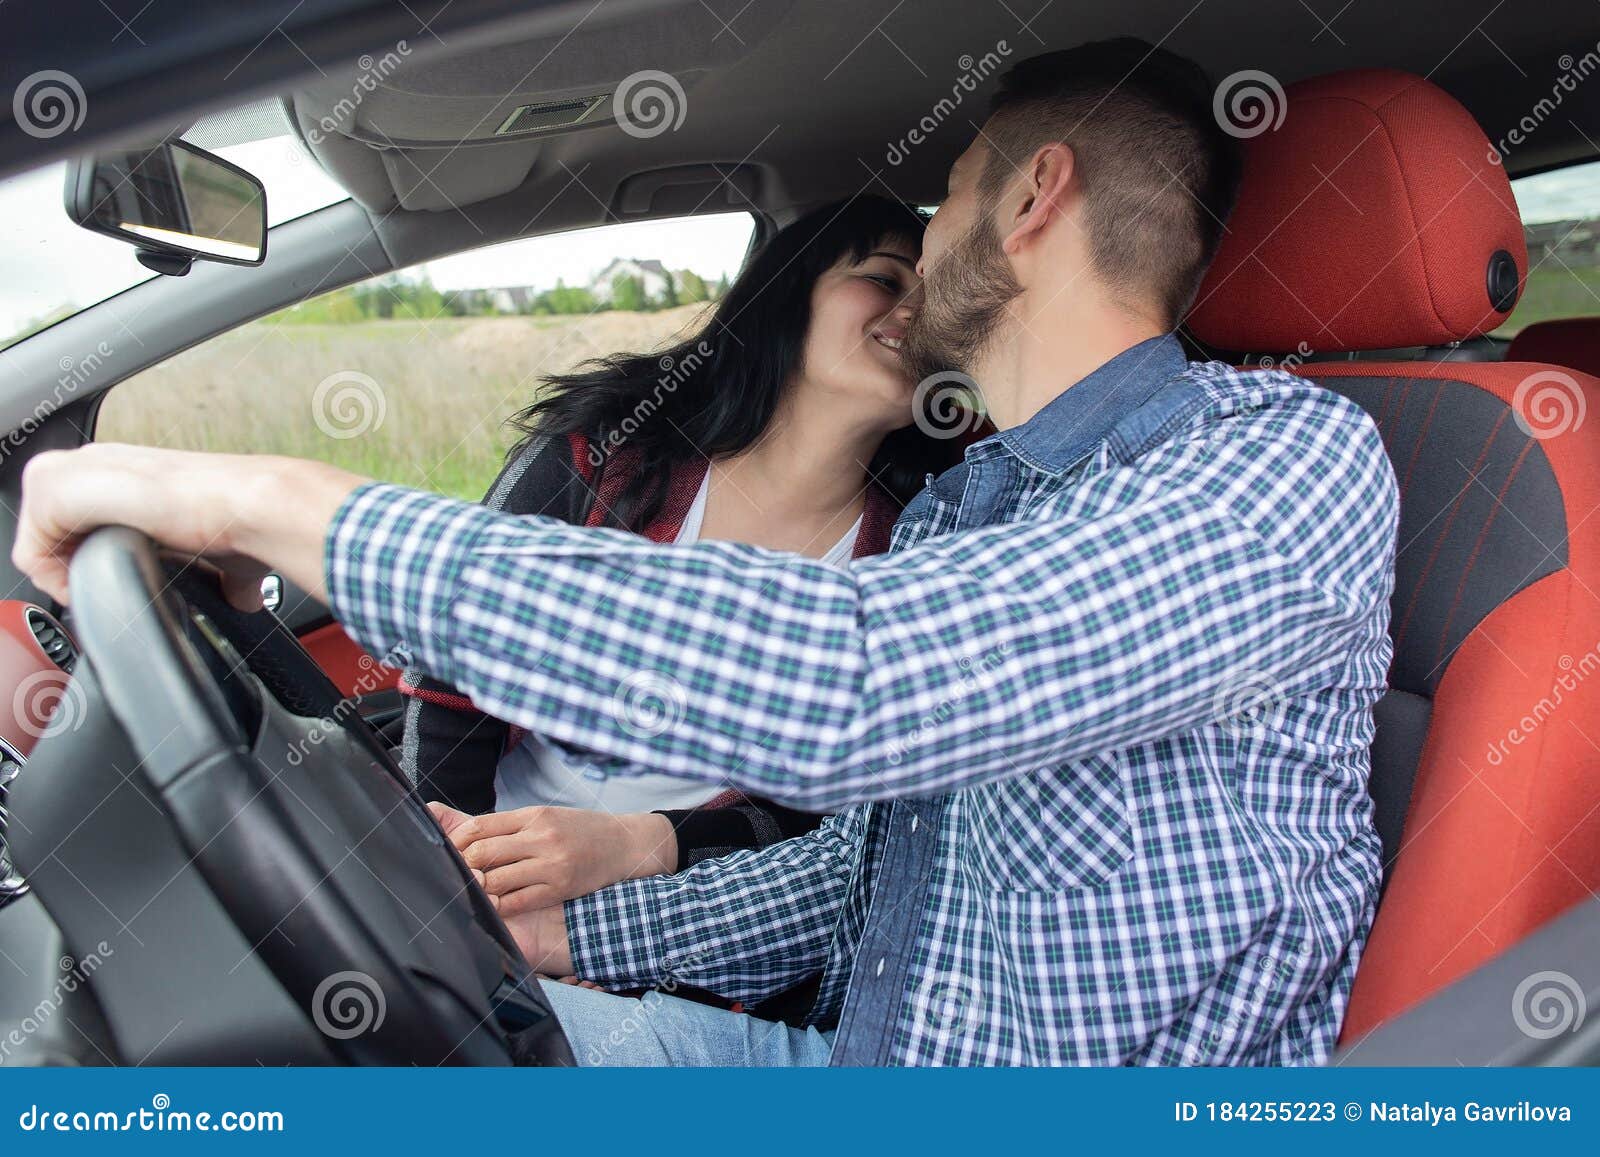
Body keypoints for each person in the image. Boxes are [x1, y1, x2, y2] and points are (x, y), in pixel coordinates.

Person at [13, 38, 1399, 1066]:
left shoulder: (1276, 463)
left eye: (953, 192)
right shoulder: (987, 503)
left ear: (1033, 198)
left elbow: (863, 680)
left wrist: (252, 494)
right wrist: (542, 940)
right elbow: (853, 876)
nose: (927, 247)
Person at [395, 198, 967, 946]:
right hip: (479, 859)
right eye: (886, 278)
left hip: (671, 926)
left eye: (938, 298)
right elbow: (451, 668)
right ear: (789, 294)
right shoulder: (607, 454)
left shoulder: (916, 550)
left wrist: (641, 843)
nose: (914, 310)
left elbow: (830, 824)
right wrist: (456, 883)